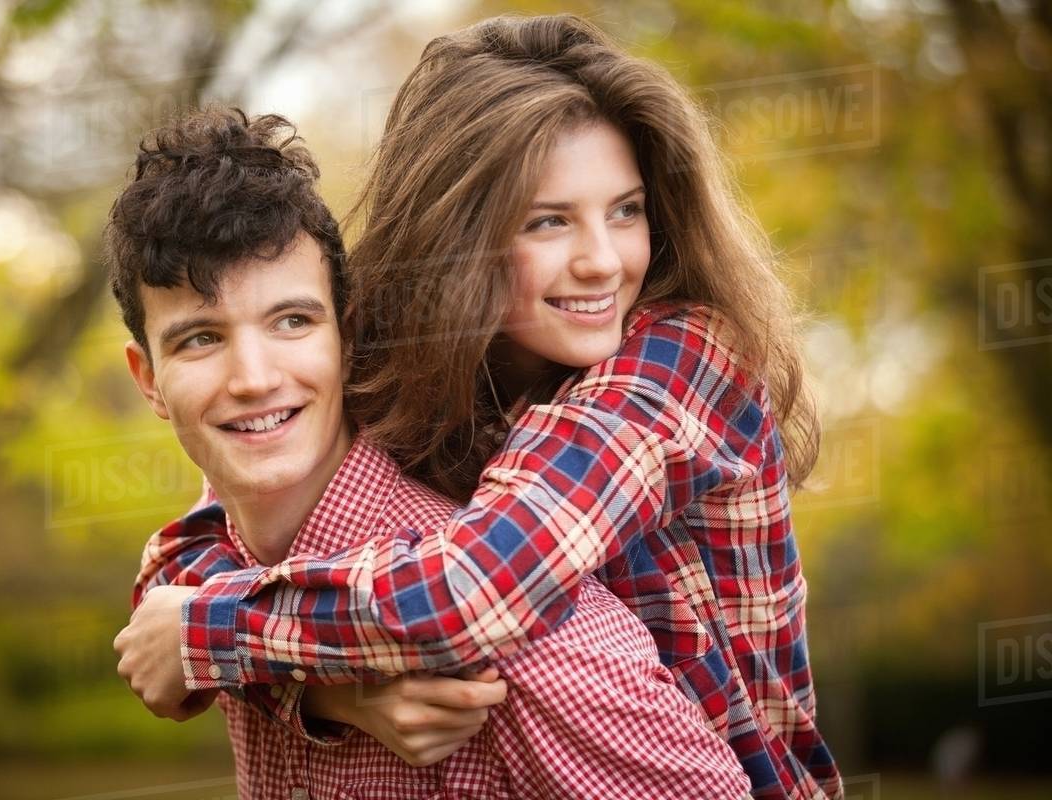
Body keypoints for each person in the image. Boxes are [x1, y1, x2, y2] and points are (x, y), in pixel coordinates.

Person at [116, 14, 842, 799]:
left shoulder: (680, 359)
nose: (602, 261)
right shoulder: (417, 357)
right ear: (462, 233)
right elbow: (218, 523)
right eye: (549, 221)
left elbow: (469, 592)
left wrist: (207, 635)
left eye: (626, 210)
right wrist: (325, 691)